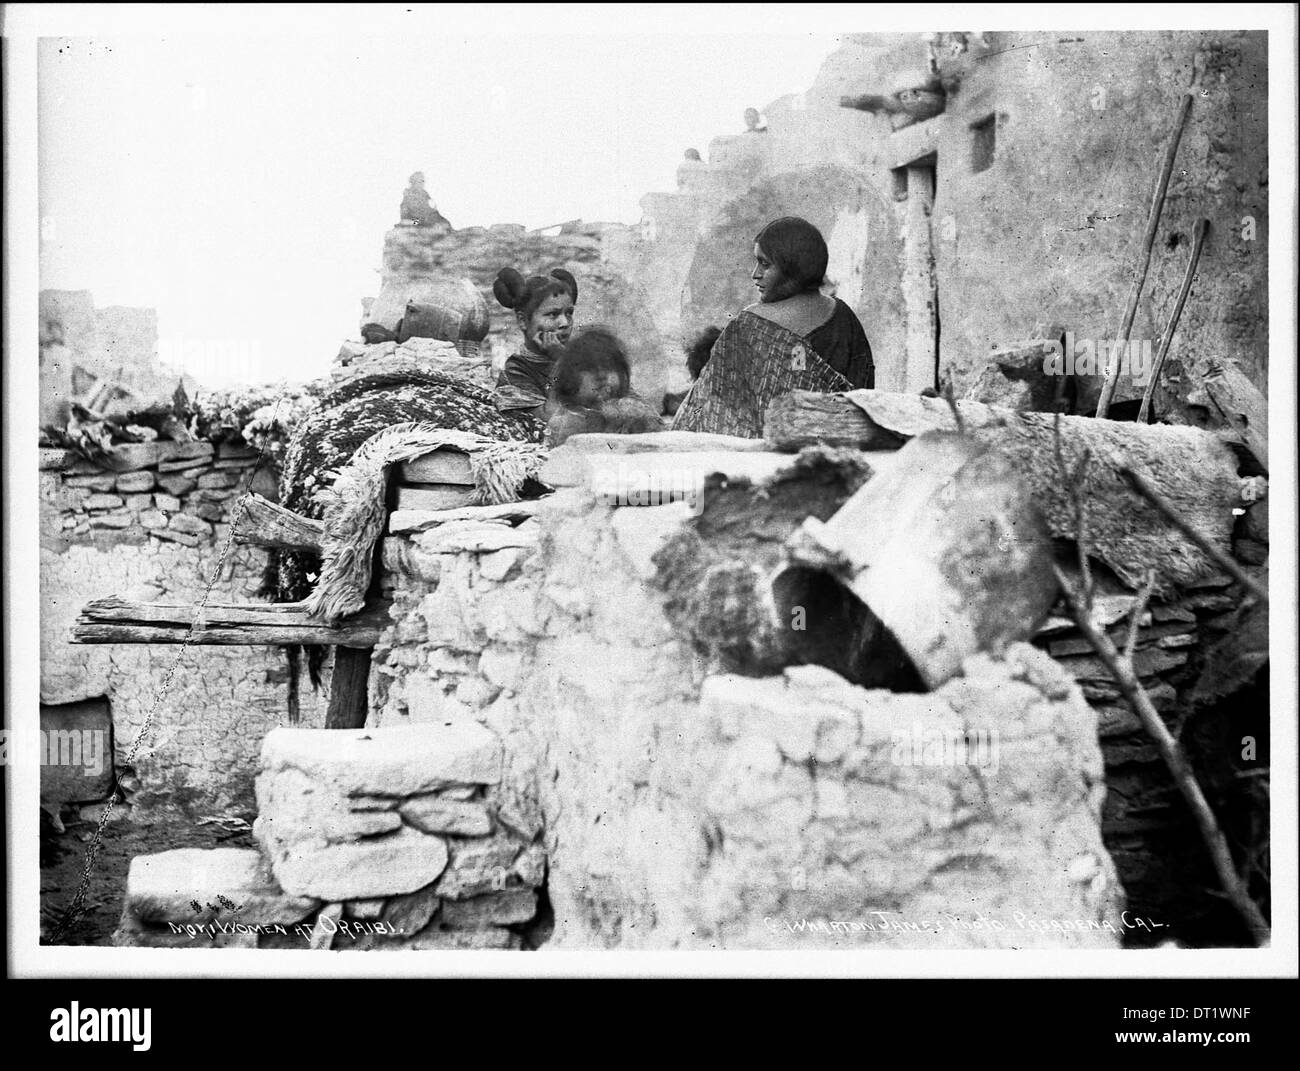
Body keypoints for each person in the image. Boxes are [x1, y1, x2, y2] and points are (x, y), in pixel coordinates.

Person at [672, 216, 874, 437]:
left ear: (792, 267)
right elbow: (865, 399)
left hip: (770, 457)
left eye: (765, 264)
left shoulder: (750, 325)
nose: (755, 274)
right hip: (838, 451)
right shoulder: (846, 317)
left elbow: (705, 414)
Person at [544, 327, 663, 445]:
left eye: (609, 367)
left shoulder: (635, 410)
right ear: (570, 379)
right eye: (589, 369)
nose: (601, 376)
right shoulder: (562, 421)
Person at [491, 267, 578, 418]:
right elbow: (552, 420)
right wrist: (561, 363)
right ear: (523, 320)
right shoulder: (515, 373)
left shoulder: (582, 357)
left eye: (569, 313)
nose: (565, 323)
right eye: (553, 314)